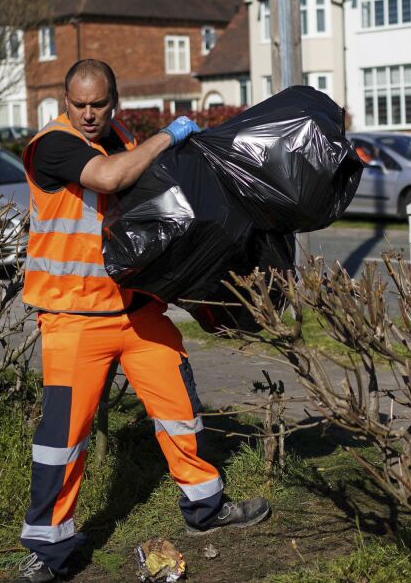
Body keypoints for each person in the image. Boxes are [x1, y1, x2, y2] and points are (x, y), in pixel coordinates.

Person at [16, 60, 270, 583]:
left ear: (115, 101)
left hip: (135, 313)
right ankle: (49, 550)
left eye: (98, 104)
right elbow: (110, 177)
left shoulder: (123, 136)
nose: (88, 114)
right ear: (65, 101)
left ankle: (205, 507)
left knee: (180, 409)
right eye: (78, 104)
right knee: (62, 437)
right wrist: (168, 137)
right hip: (74, 319)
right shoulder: (54, 145)